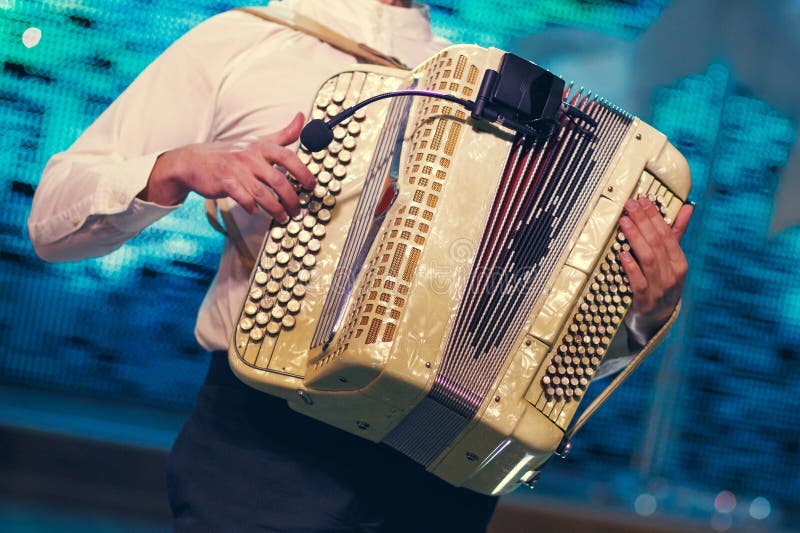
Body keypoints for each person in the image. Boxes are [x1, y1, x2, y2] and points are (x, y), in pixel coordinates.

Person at [27, 0, 693, 530]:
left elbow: (529, 342)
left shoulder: (487, 90)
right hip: (266, 454)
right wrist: (173, 167)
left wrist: (640, 313)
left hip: (440, 466)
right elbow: (52, 222)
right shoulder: (244, 41)